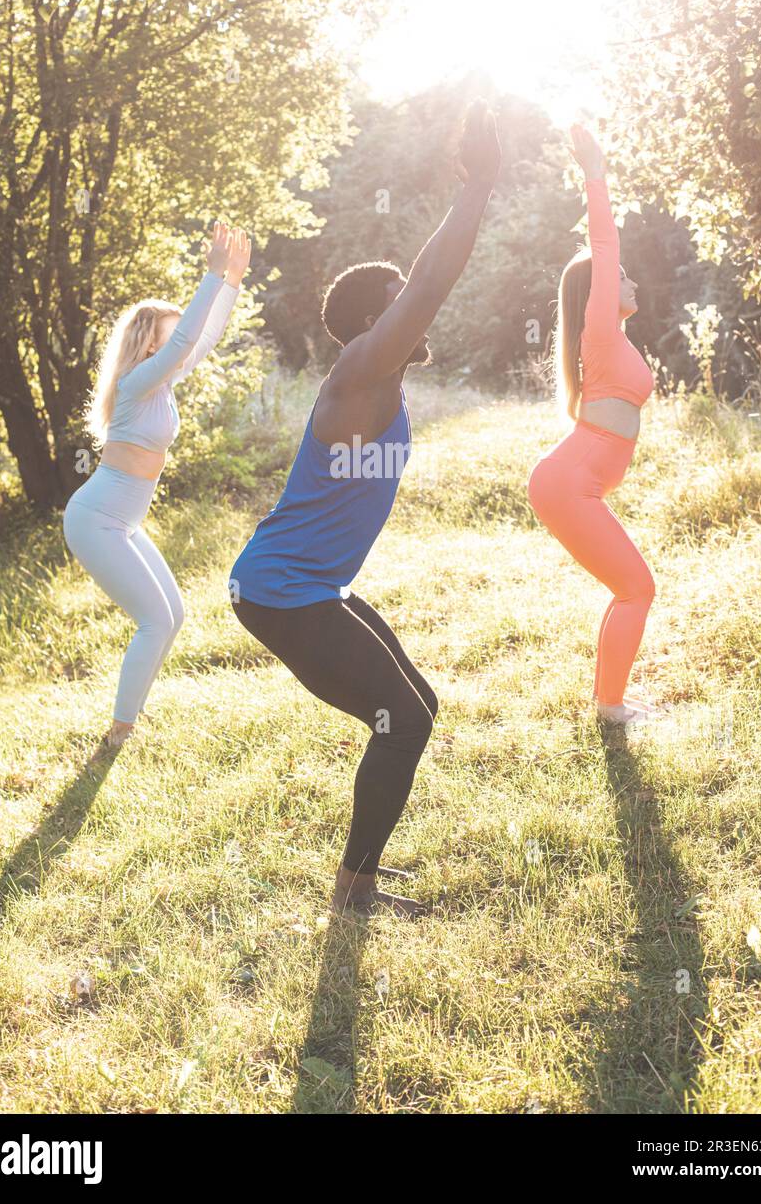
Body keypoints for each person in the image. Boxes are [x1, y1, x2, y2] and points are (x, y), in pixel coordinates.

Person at [229, 100, 501, 917]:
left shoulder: (382, 382)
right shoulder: (360, 371)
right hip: (283, 592)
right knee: (402, 721)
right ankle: (354, 892)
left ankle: (362, 876)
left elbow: (422, 291)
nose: (417, 307)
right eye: (397, 299)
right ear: (372, 324)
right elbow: (431, 281)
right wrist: (478, 187)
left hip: (313, 585)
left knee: (418, 708)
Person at [65, 224, 251, 748]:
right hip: (96, 519)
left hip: (122, 520)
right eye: (170, 331)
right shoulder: (138, 383)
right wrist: (212, 273)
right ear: (150, 341)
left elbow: (204, 338)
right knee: (153, 620)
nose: (181, 341)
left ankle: (129, 720)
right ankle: (119, 733)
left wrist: (231, 281)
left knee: (173, 616)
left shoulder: (163, 383)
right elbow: (191, 336)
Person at [528, 124, 656, 726]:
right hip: (568, 482)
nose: (632, 281)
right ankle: (611, 709)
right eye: (623, 277)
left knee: (631, 588)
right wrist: (595, 172)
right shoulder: (600, 331)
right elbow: (604, 249)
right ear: (599, 294)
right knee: (637, 588)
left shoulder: (614, 343)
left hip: (576, 481)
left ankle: (610, 705)